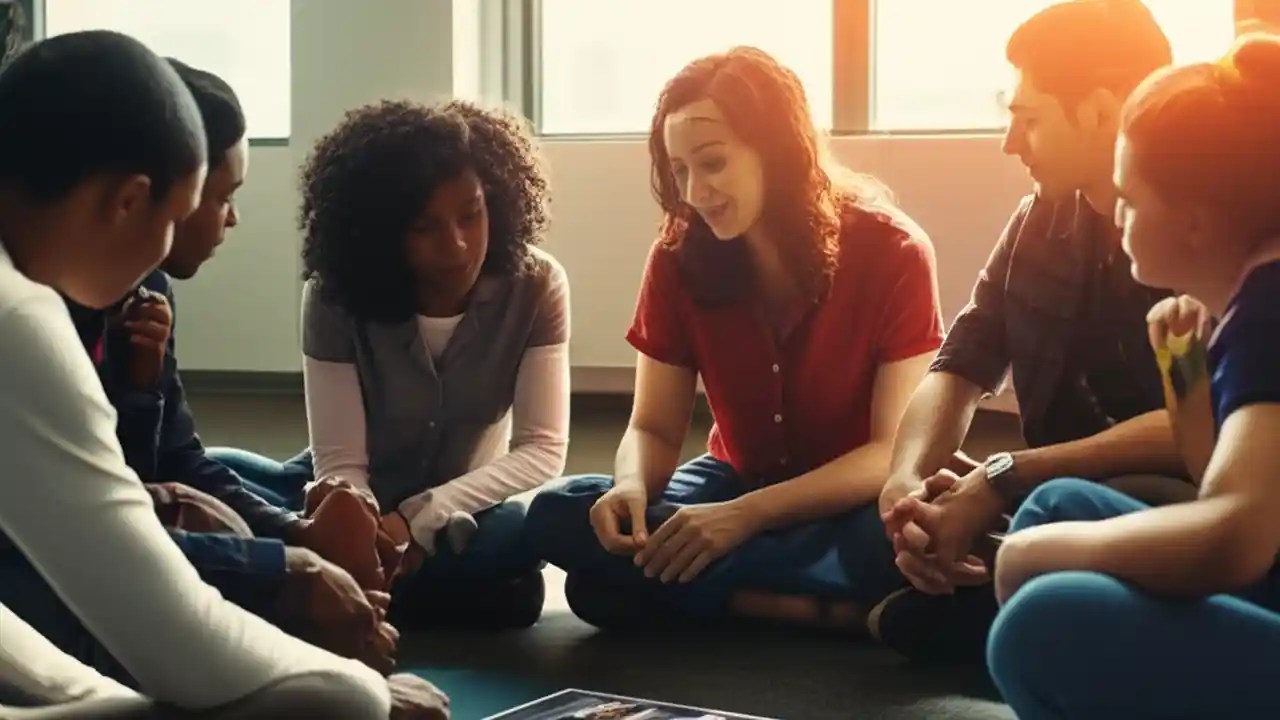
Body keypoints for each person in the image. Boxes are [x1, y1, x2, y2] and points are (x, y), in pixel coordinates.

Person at [0, 30, 445, 719]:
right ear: (127, 201)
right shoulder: (17, 315)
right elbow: (170, 632)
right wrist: (358, 683)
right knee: (341, 701)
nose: (172, 246)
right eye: (177, 216)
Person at [525, 46, 943, 631]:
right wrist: (630, 487)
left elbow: (890, 457)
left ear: (776, 151)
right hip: (731, 480)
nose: (694, 192)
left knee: (903, 536)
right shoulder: (677, 255)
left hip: (842, 502)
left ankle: (721, 596)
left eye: (713, 163)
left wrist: (743, 520)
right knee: (555, 512)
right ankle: (816, 610)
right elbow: (653, 428)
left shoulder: (893, 251)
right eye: (678, 170)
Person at [873, 0, 1195, 663]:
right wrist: (906, 480)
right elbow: (960, 363)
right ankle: (1022, 601)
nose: (1010, 142)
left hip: (1171, 501)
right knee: (903, 521)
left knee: (1052, 510)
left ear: (1103, 111)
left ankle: (1020, 606)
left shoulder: (1211, 232)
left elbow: (1202, 426)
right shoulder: (1037, 222)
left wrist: (1005, 476)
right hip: (1042, 493)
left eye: (1030, 118)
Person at [987, 32, 1280, 718]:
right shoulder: (1247, 302)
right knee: (1056, 506)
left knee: (1045, 618)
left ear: (1196, 224)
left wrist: (1030, 556)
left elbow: (1237, 534)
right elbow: (1225, 479)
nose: (1114, 215)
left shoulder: (1270, 313)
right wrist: (1185, 368)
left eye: (1129, 198)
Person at [211, 98, 570, 630]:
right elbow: (340, 465)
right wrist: (362, 537)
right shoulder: (334, 297)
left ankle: (321, 585)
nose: (457, 245)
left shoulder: (537, 285)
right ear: (381, 234)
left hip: (466, 507)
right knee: (216, 475)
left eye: (472, 214)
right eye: (425, 228)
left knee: (537, 522)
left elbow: (541, 450)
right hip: (346, 507)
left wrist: (414, 521)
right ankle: (392, 583)